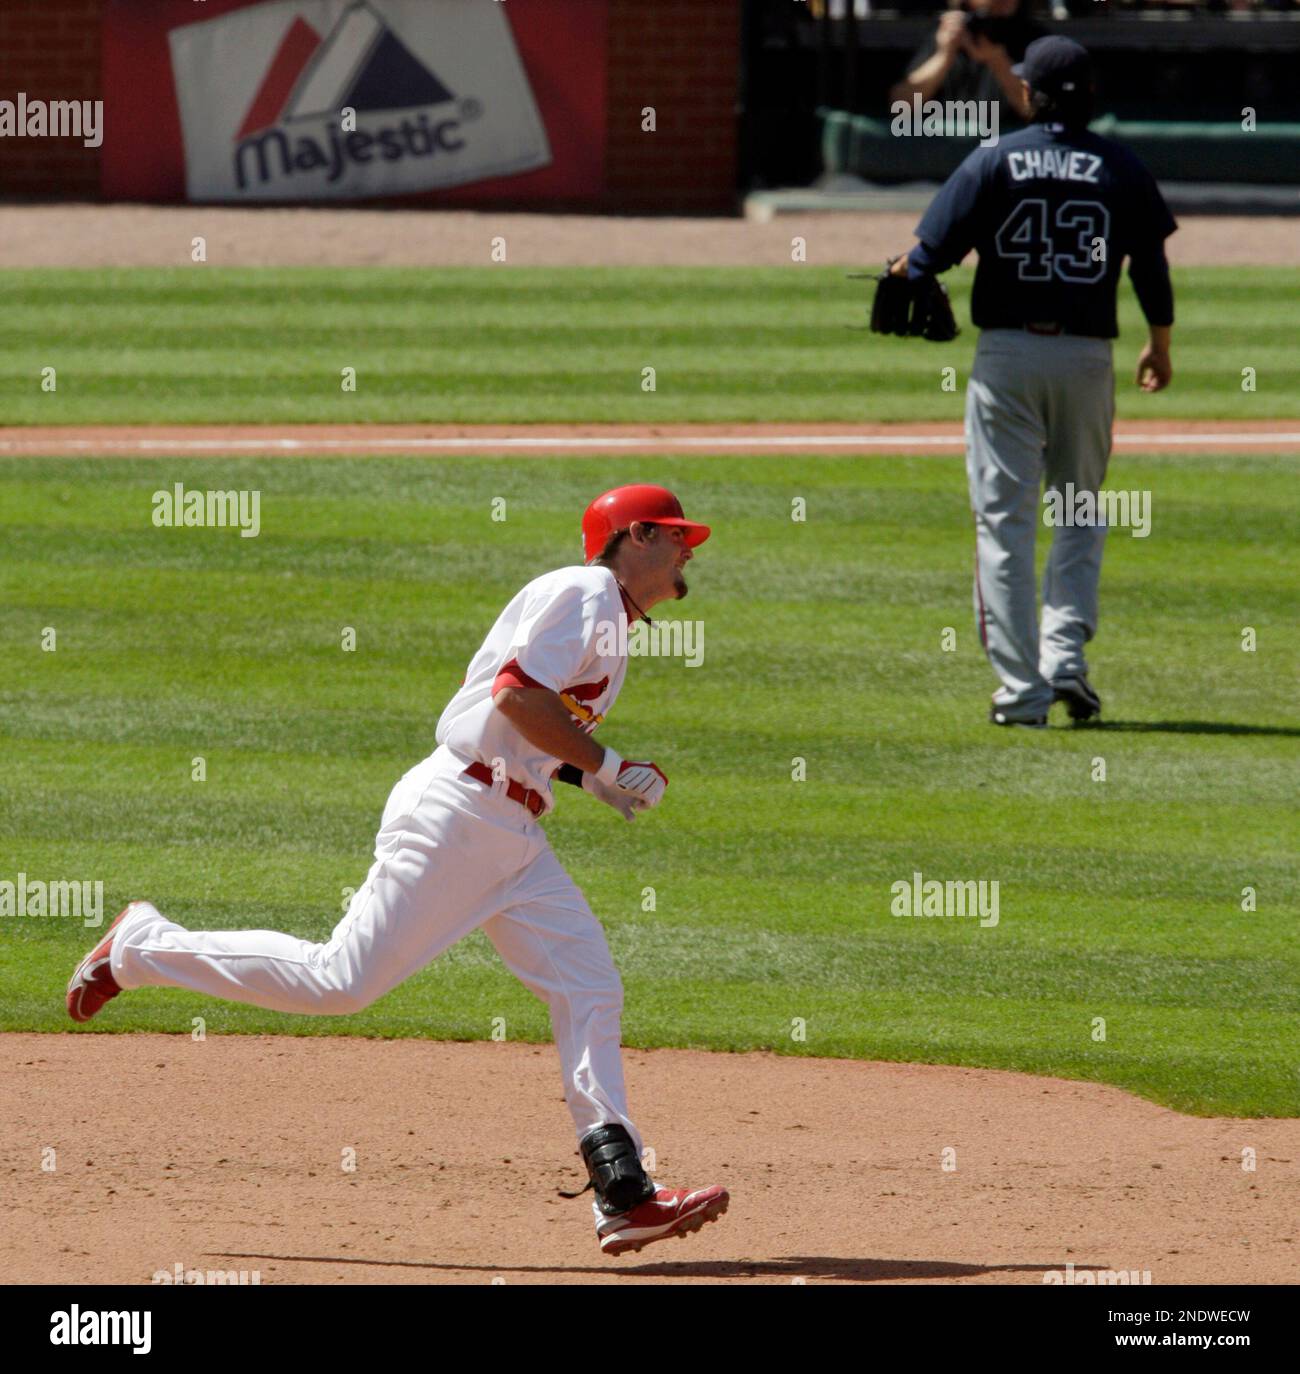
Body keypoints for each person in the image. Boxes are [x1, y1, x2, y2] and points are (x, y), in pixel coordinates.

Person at [65, 484, 731, 1257]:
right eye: (678, 536)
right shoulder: (582, 591)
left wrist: (595, 778)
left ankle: (623, 1192)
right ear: (636, 535)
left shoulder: (612, 620)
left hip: (512, 835)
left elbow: (529, 724)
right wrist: (612, 762)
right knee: (339, 982)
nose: (690, 551)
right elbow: (516, 697)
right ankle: (141, 946)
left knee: (588, 986)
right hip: (457, 816)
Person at [887, 36, 1177, 726]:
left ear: (1031, 94)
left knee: (1004, 522)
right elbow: (1151, 268)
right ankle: (1066, 658)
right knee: (1079, 511)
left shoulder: (995, 156)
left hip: (1009, 360)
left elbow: (927, 257)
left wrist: (905, 271)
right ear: (1091, 98)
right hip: (1086, 361)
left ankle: (1022, 692)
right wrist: (1159, 345)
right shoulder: (1119, 163)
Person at [889, 0, 1046, 125]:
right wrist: (944, 55)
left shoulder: (1035, 39)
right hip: (944, 148)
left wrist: (998, 62)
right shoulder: (948, 32)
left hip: (1004, 148)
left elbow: (1035, 112)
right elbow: (900, 105)